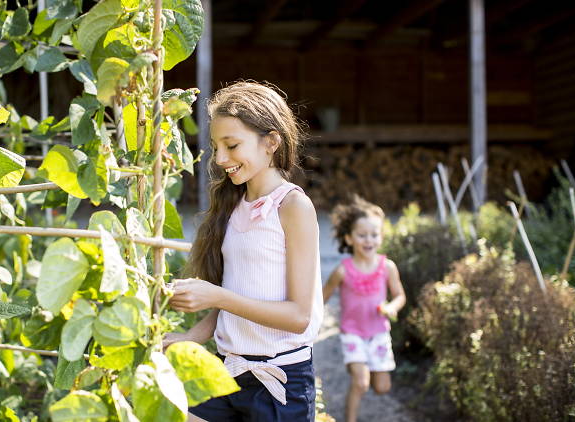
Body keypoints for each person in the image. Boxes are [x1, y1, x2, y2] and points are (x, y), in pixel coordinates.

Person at [165, 81, 324, 422]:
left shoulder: (293, 206)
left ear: (271, 142)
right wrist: (191, 338)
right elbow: (235, 295)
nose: (221, 159)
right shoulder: (233, 205)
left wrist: (216, 296)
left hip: (280, 384)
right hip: (228, 373)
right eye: (215, 147)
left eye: (232, 145)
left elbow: (298, 317)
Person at [322, 196, 406, 422]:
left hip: (378, 333)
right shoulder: (342, 270)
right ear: (349, 238)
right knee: (361, 382)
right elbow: (321, 298)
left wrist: (391, 306)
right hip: (353, 333)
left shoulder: (387, 267)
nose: (369, 240)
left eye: (374, 234)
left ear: (381, 236)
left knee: (382, 387)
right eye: (362, 235)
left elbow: (399, 296)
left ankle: (365, 374)